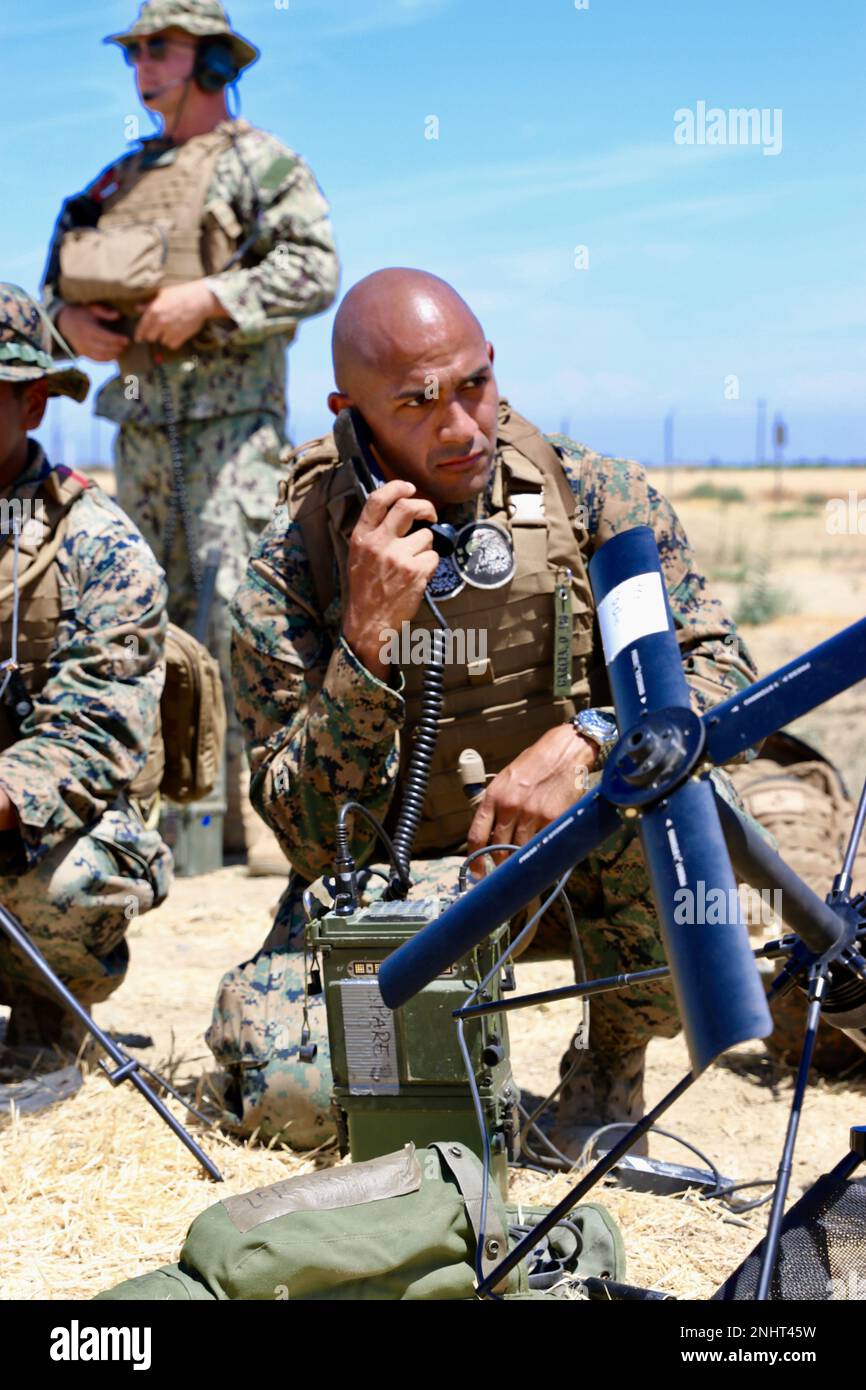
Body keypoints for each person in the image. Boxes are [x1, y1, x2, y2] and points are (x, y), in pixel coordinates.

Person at [206, 267, 763, 1153]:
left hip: (583, 852)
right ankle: (461, 1106)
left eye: (476, 384)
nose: (462, 427)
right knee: (293, 1096)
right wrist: (365, 642)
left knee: (695, 818)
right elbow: (309, 839)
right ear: (349, 408)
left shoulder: (595, 496)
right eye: (419, 403)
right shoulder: (293, 564)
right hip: (401, 883)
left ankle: (610, 1069)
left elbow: (719, 675)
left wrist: (594, 739)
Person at [41, 0, 340, 875]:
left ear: (212, 62)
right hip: (139, 429)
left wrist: (209, 300)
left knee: (242, 614)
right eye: (134, 49)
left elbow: (315, 267)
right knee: (137, 622)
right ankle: (171, 831)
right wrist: (67, 323)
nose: (142, 64)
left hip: (229, 430)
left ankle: (266, 826)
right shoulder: (115, 180)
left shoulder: (262, 163)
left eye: (159, 47)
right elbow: (53, 284)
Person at [0, 284, 172, 1066]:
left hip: (37, 830)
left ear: (33, 403)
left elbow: (92, 731)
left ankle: (46, 1022)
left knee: (67, 884)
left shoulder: (98, 546)